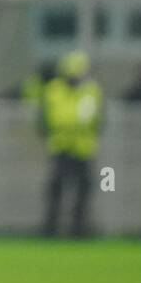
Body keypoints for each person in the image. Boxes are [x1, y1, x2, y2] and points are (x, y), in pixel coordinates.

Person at [40, 50, 102, 238]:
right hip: (61, 147)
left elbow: (99, 120)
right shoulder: (54, 90)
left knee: (83, 189)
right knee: (57, 187)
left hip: (83, 148)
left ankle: (79, 228)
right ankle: (51, 228)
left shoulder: (91, 91)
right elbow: (43, 119)